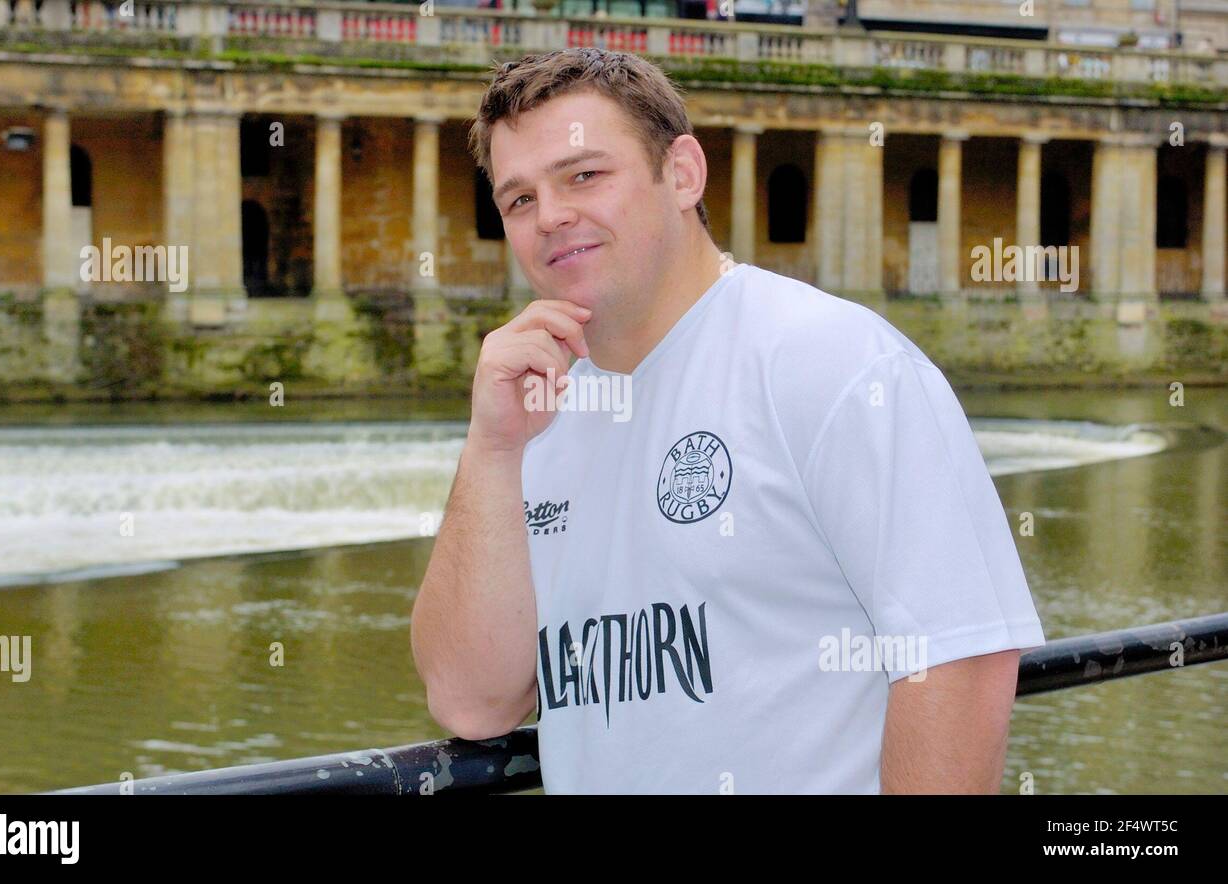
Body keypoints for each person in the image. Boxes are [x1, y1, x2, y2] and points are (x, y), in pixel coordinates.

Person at [409, 46, 1046, 794]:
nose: (550, 216)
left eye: (584, 176)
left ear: (682, 173)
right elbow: (471, 701)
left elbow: (959, 660)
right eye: (519, 199)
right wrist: (490, 448)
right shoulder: (533, 416)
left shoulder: (832, 361)